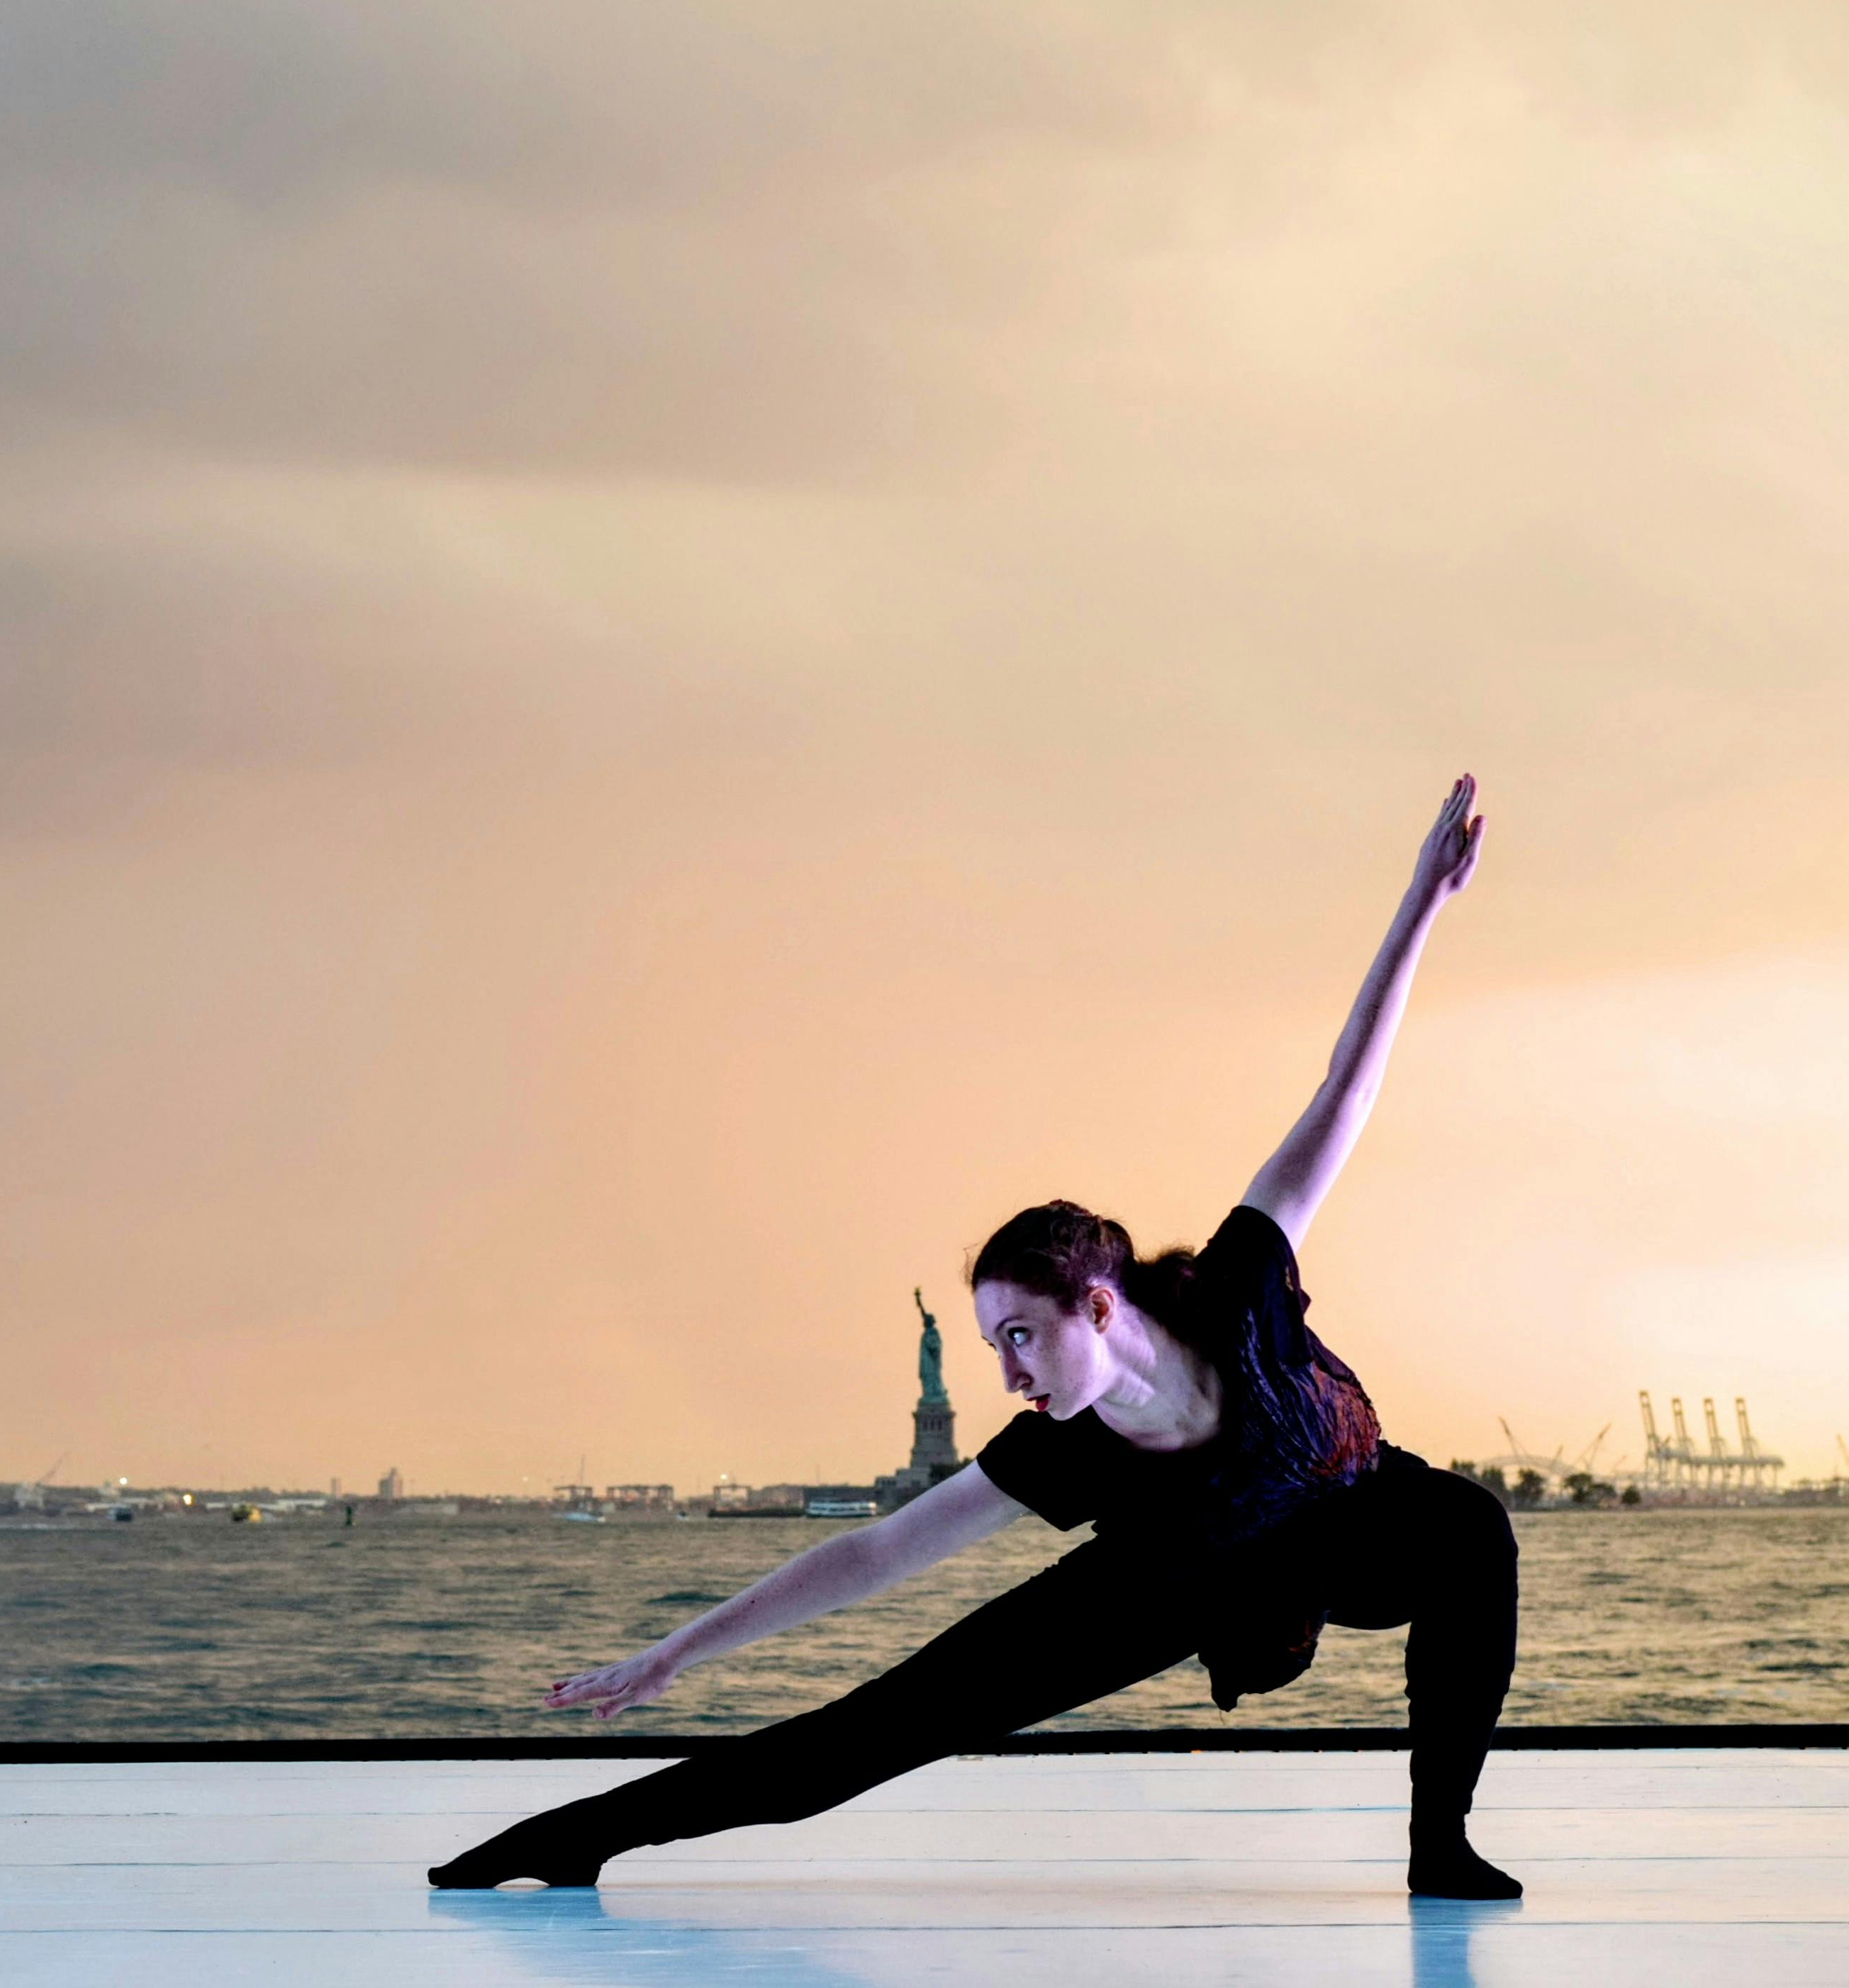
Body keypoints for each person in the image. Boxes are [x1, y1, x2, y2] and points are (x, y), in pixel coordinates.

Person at [428, 776, 1519, 1901]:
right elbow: (873, 1556)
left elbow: (1347, 1084)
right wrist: (675, 1654)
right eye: (991, 1341)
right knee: (875, 1730)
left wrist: (1423, 900)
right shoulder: (1060, 1446)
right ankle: (567, 1841)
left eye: (1023, 1338)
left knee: (1473, 1531)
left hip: (1358, 1524)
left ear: (1100, 1308)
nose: (1007, 1373)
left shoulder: (1237, 1287)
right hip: (1179, 1582)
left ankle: (1440, 1848)